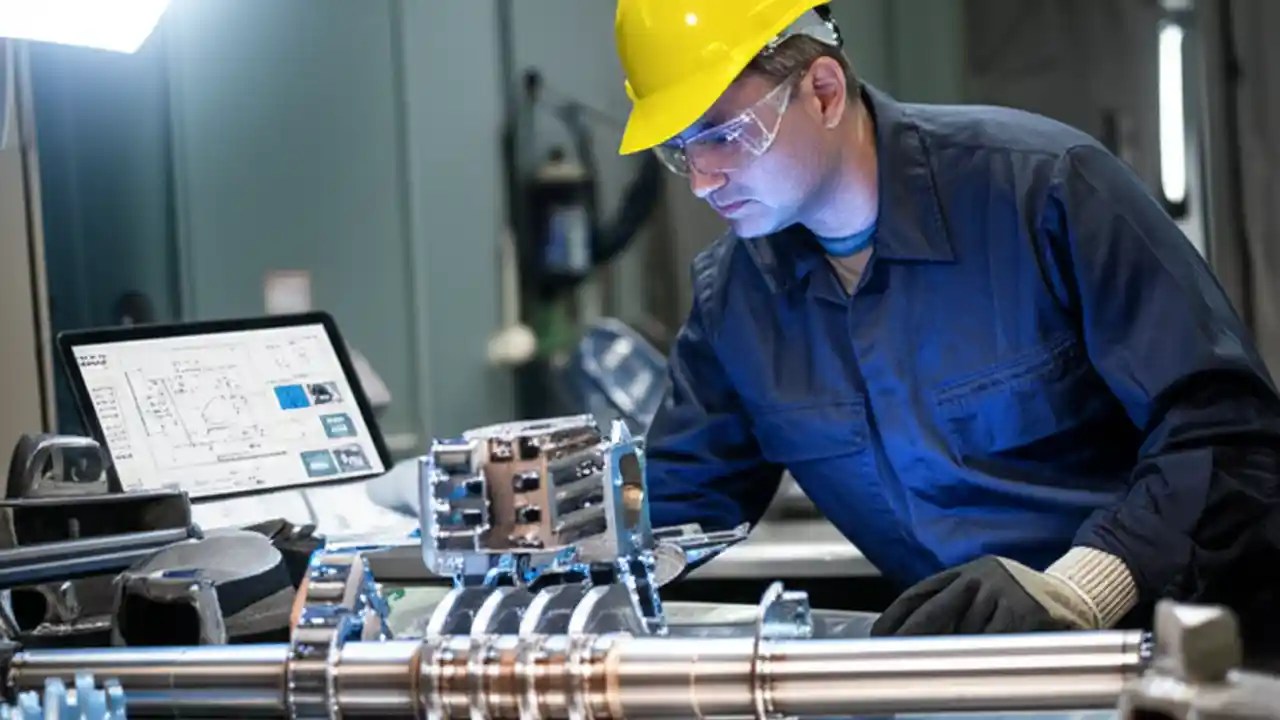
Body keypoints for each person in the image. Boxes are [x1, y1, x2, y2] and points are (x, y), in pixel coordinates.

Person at [614, 0, 1280, 649]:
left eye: (722, 135)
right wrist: (574, 552)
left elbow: (1229, 435)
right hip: (972, 675)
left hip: (1183, 651)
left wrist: (1082, 588)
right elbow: (674, 512)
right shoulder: (735, 301)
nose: (701, 181)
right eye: (680, 149)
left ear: (823, 92)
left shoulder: (1041, 190)